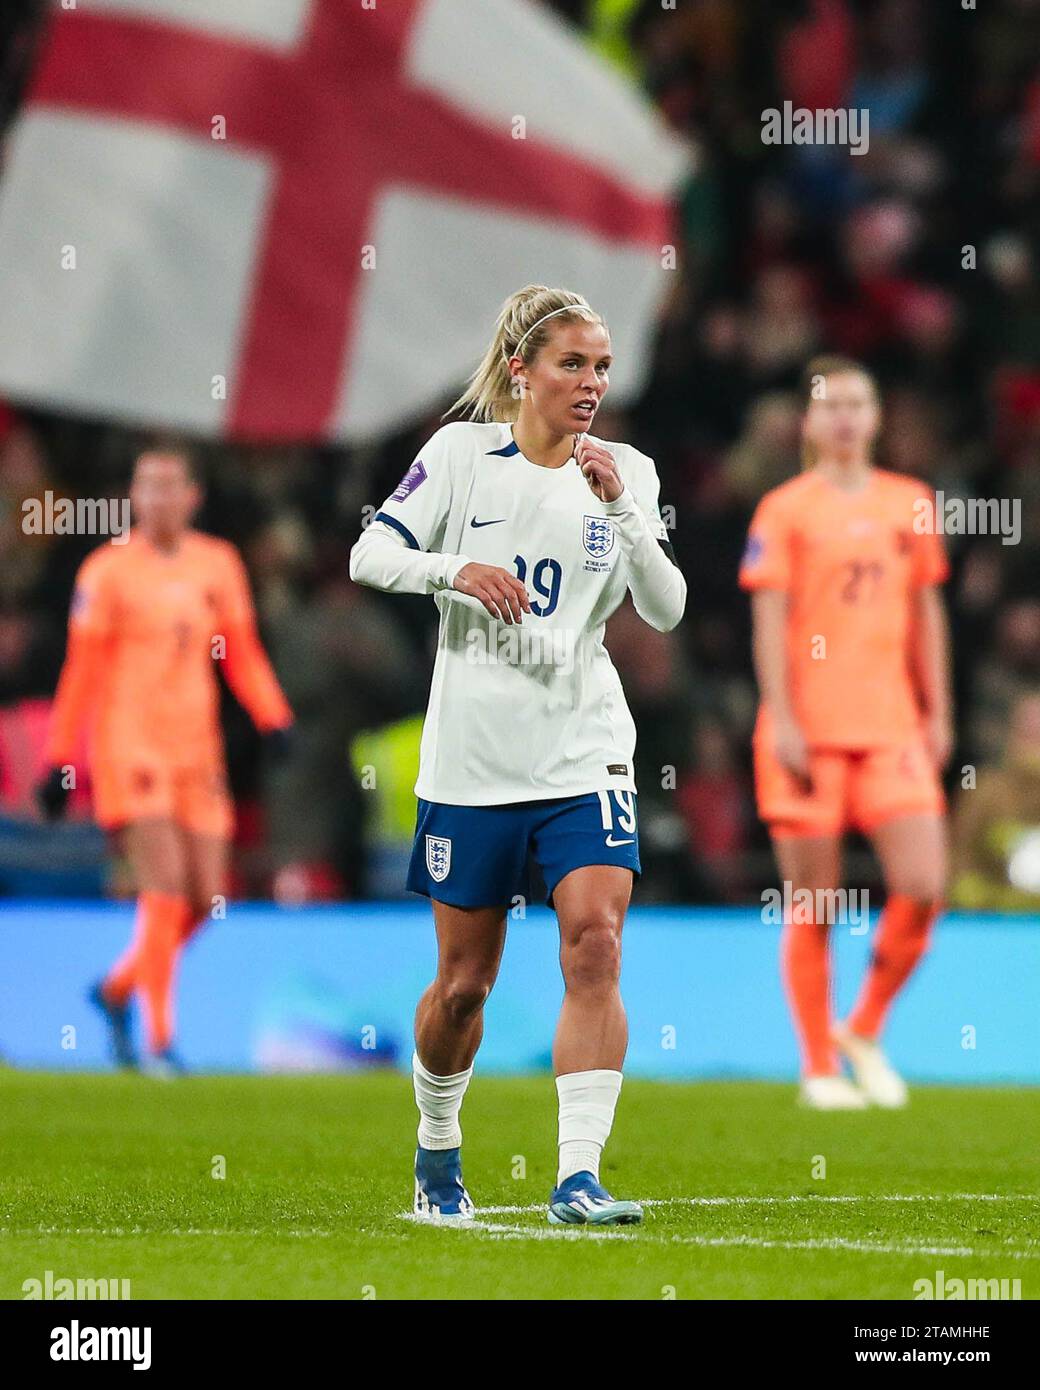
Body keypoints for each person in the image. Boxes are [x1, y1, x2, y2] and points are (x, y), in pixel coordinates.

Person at [349, 284, 686, 1223]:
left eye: (602, 367)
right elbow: (370, 557)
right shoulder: (461, 456)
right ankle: (437, 1148)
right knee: (464, 986)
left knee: (596, 941)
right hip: (473, 761)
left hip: (583, 749)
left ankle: (578, 1174)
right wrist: (455, 569)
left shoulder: (625, 468)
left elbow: (665, 608)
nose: (591, 383)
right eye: (572, 364)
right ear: (521, 371)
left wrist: (622, 511)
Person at [37, 446, 293, 1072]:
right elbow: (82, 671)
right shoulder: (106, 571)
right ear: (133, 497)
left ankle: (117, 990)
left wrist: (273, 716)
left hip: (196, 750)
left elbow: (241, 651)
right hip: (131, 746)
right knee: (166, 886)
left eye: (169, 486)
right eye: (146, 486)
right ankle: (158, 1041)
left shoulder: (218, 563)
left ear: (192, 496)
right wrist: (58, 759)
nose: (157, 497)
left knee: (206, 899)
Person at [740, 356, 952, 1110]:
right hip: (809, 734)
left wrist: (939, 713)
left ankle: (861, 1026)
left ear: (877, 416)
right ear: (808, 421)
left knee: (924, 886)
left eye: (858, 402)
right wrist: (786, 718)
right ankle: (818, 1069)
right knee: (816, 904)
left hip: (891, 726)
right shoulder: (785, 510)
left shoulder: (911, 503)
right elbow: (768, 623)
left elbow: (927, 613)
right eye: (830, 404)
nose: (844, 417)